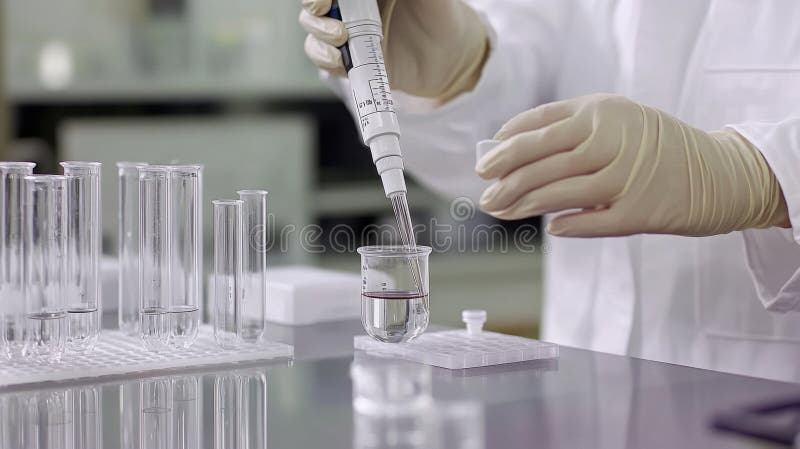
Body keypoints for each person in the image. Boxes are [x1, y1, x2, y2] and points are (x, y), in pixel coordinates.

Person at [300, 0, 800, 382]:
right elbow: (506, 140)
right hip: (581, 391)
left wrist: (763, 176)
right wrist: (459, 73)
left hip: (767, 393)